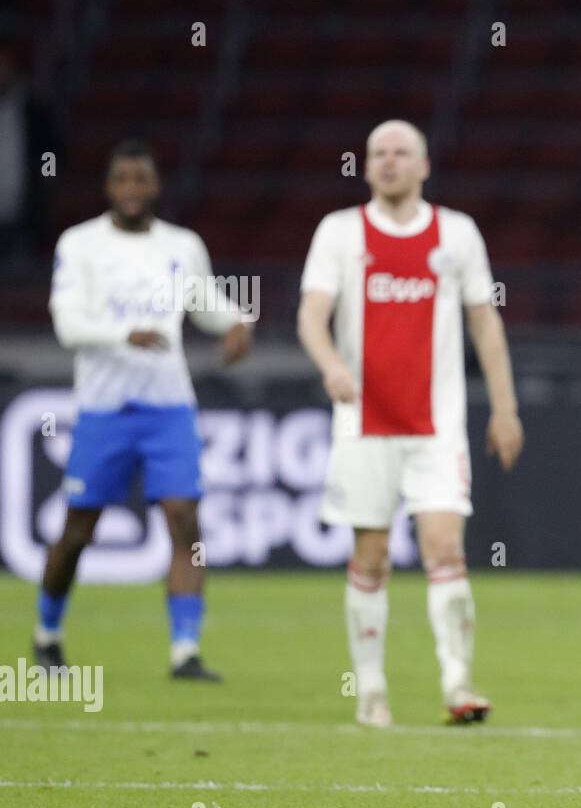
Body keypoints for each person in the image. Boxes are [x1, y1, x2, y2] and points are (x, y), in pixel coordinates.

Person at [297, 120, 524, 727]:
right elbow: (311, 316)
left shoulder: (456, 233)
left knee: (445, 548)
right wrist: (330, 367)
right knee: (369, 557)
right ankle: (370, 692)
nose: (389, 162)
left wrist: (504, 407)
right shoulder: (339, 233)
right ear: (366, 166)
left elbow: (485, 324)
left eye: (401, 153)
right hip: (363, 427)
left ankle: (458, 686)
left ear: (424, 165)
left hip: (436, 429)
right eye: (378, 153)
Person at [36, 140, 253, 680]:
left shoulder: (181, 245)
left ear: (156, 186)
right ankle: (48, 634)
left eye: (141, 180)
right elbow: (68, 324)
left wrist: (236, 322)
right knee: (78, 531)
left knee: (184, 521)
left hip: (169, 407)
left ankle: (185, 651)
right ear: (108, 187)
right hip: (104, 408)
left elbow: (204, 305)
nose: (132, 190)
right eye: (122, 180)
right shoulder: (81, 244)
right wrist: (122, 334)